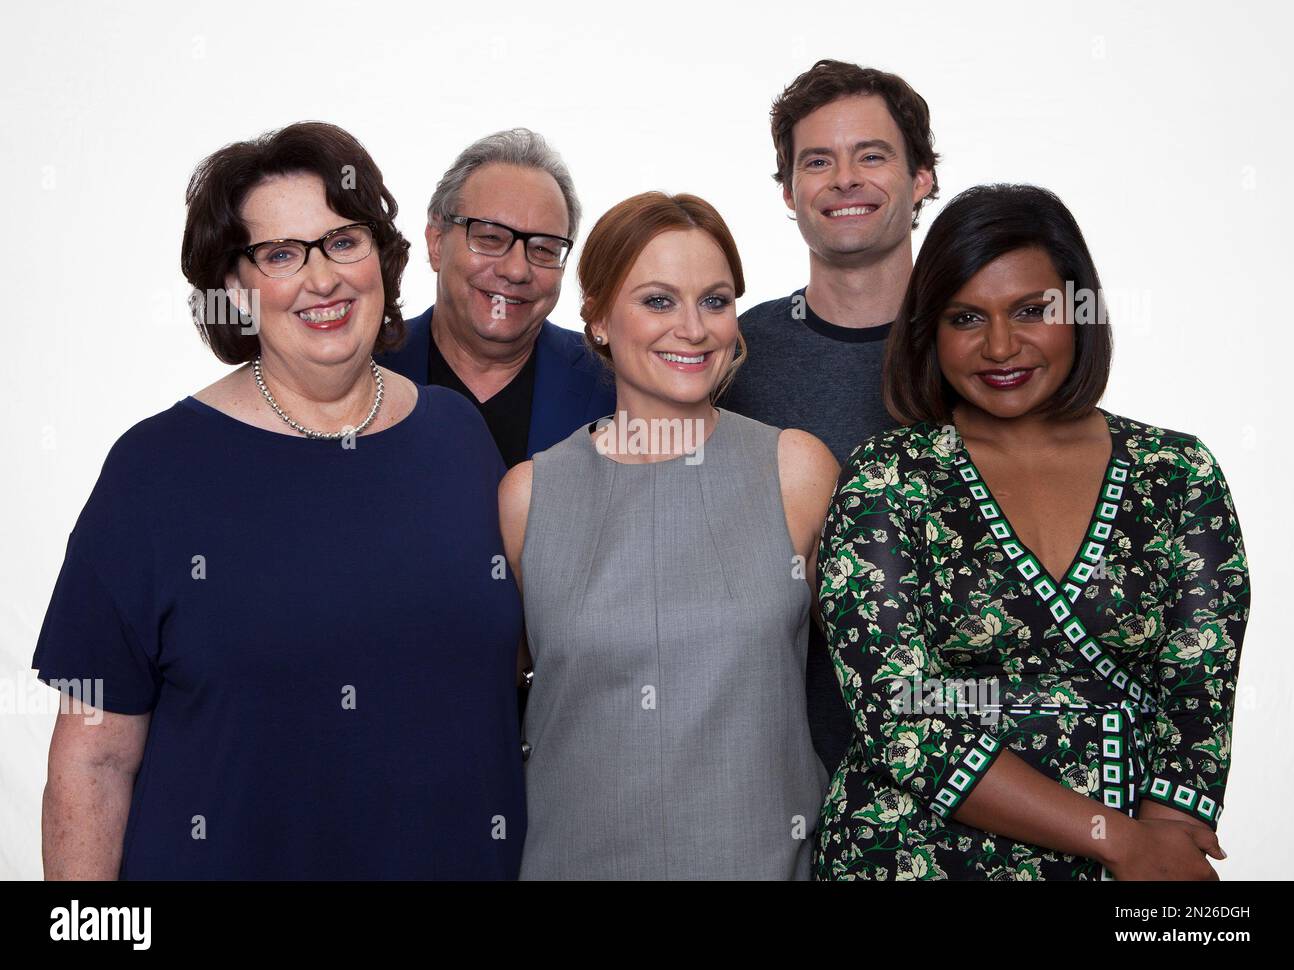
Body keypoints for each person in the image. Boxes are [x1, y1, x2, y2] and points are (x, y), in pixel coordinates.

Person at [32, 122, 525, 879]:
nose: (322, 279)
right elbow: (92, 762)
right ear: (235, 287)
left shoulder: (457, 436)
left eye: (343, 242)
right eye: (282, 255)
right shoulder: (154, 471)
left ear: (382, 259)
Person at [814, 183, 1250, 880]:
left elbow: (1196, 699)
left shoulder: (1177, 472)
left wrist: (1157, 852)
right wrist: (1117, 839)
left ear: (1081, 310)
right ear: (930, 330)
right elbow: (901, 715)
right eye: (965, 319)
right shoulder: (888, 477)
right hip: (911, 856)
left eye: (1032, 310)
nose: (1000, 346)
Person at [498, 192, 838, 879]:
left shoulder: (796, 469)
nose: (694, 328)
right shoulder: (530, 495)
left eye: (714, 301)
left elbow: (877, 686)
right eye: (658, 301)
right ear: (597, 318)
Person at [720, 58, 940, 780]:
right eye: (819, 161)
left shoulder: (983, 351)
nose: (845, 178)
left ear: (922, 179)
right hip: (779, 776)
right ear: (789, 191)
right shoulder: (730, 354)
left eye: (871, 155)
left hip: (975, 783)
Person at [376, 128, 615, 468]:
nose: (516, 270)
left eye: (544, 248)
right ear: (437, 242)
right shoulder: (365, 366)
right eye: (490, 237)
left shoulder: (615, 386)